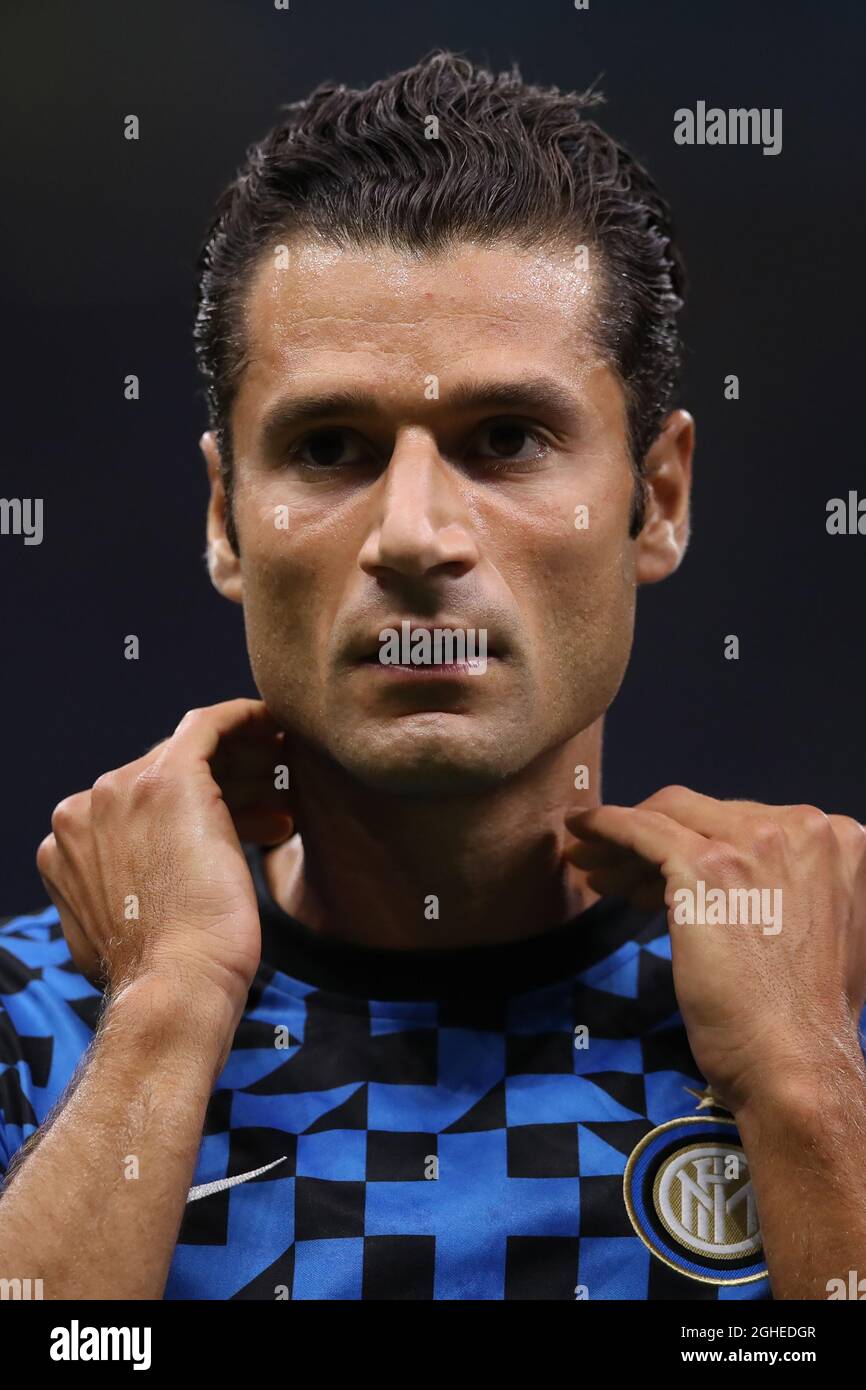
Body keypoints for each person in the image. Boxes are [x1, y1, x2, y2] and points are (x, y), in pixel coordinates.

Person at [1, 50, 864, 1302]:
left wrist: (801, 1083)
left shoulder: (835, 989)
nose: (413, 534)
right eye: (331, 445)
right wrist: (164, 1003)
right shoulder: (38, 1018)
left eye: (506, 438)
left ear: (654, 501)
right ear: (225, 520)